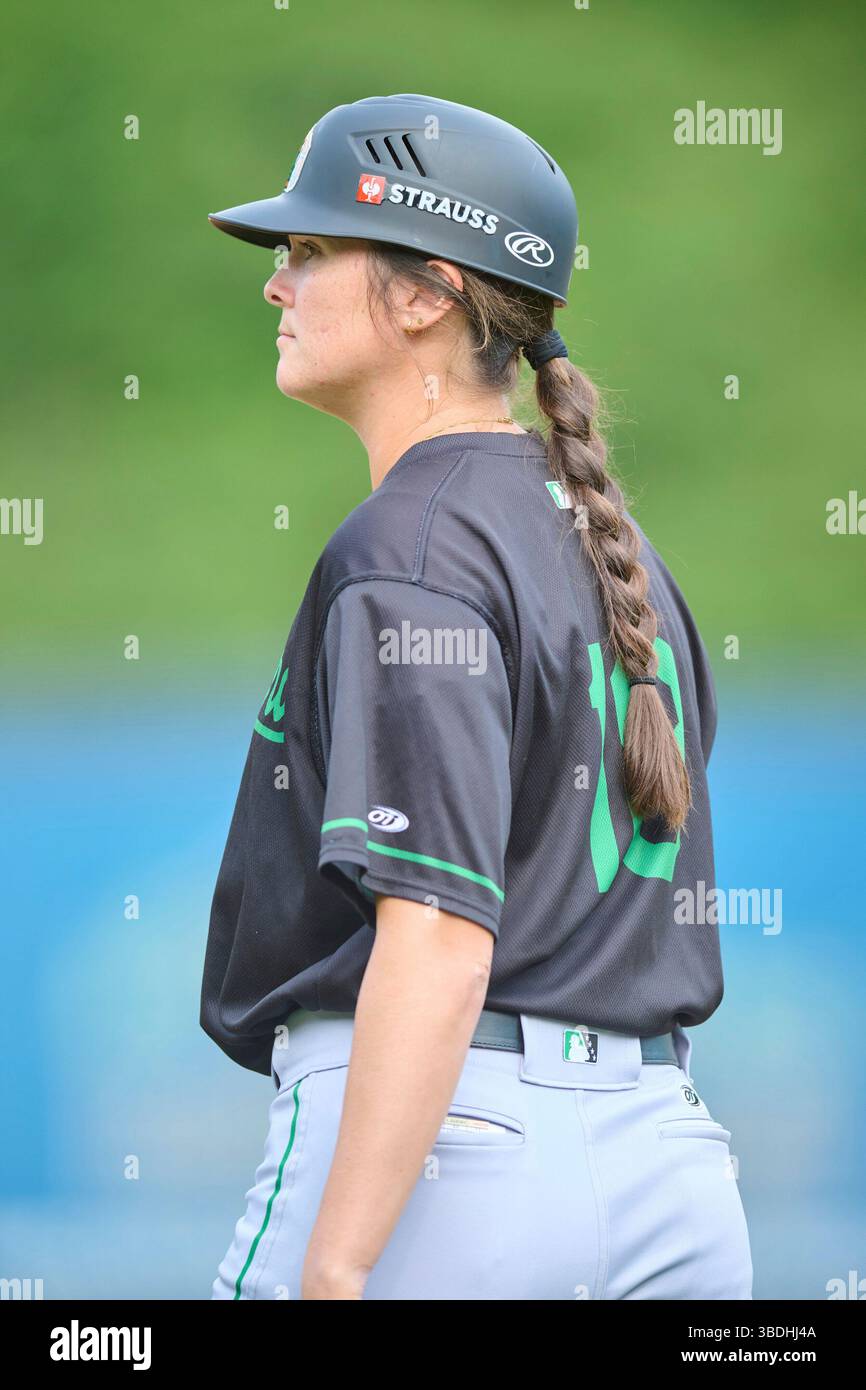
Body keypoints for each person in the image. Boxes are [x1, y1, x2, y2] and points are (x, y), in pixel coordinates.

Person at [201, 93, 753, 1301]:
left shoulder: (409, 543)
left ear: (424, 293)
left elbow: (442, 941)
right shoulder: (621, 551)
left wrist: (340, 1265)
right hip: (671, 1166)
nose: (274, 284)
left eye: (305, 250)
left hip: (452, 1164)